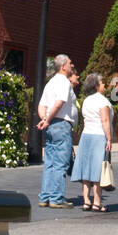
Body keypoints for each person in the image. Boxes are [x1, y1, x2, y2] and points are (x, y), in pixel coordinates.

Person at [37, 54, 78, 206]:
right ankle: (56, 198)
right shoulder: (63, 82)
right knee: (61, 162)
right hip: (61, 124)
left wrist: (44, 119)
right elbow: (59, 103)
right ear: (63, 66)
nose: (71, 66)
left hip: (50, 126)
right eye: (70, 63)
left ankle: (45, 197)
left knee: (49, 162)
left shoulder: (50, 83)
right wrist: (47, 120)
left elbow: (42, 105)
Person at [71, 72, 113, 211]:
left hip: (86, 136)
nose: (104, 85)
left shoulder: (87, 100)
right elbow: (105, 120)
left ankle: (86, 201)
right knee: (97, 170)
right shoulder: (103, 101)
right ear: (96, 85)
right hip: (99, 136)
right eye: (102, 83)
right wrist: (109, 138)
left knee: (86, 170)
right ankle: (97, 202)